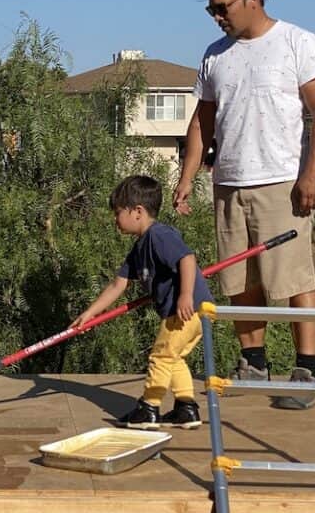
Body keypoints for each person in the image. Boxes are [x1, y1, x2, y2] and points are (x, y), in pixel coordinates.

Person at [172, 0, 315, 409]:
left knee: (294, 276)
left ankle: (306, 372)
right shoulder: (215, 55)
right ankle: (253, 362)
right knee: (239, 278)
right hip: (229, 182)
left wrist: (313, 173)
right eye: (211, 9)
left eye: (221, 7)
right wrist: (187, 177)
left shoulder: (297, 42)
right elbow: (203, 122)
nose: (216, 16)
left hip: (282, 181)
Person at [72, 175, 213, 429]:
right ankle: (186, 408)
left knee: (160, 356)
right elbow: (118, 284)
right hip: (191, 312)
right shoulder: (139, 249)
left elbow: (187, 259)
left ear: (137, 211)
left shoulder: (159, 235)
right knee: (173, 358)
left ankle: (149, 408)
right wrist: (90, 313)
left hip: (186, 309)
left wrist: (184, 295)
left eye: (118, 213)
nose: (115, 219)